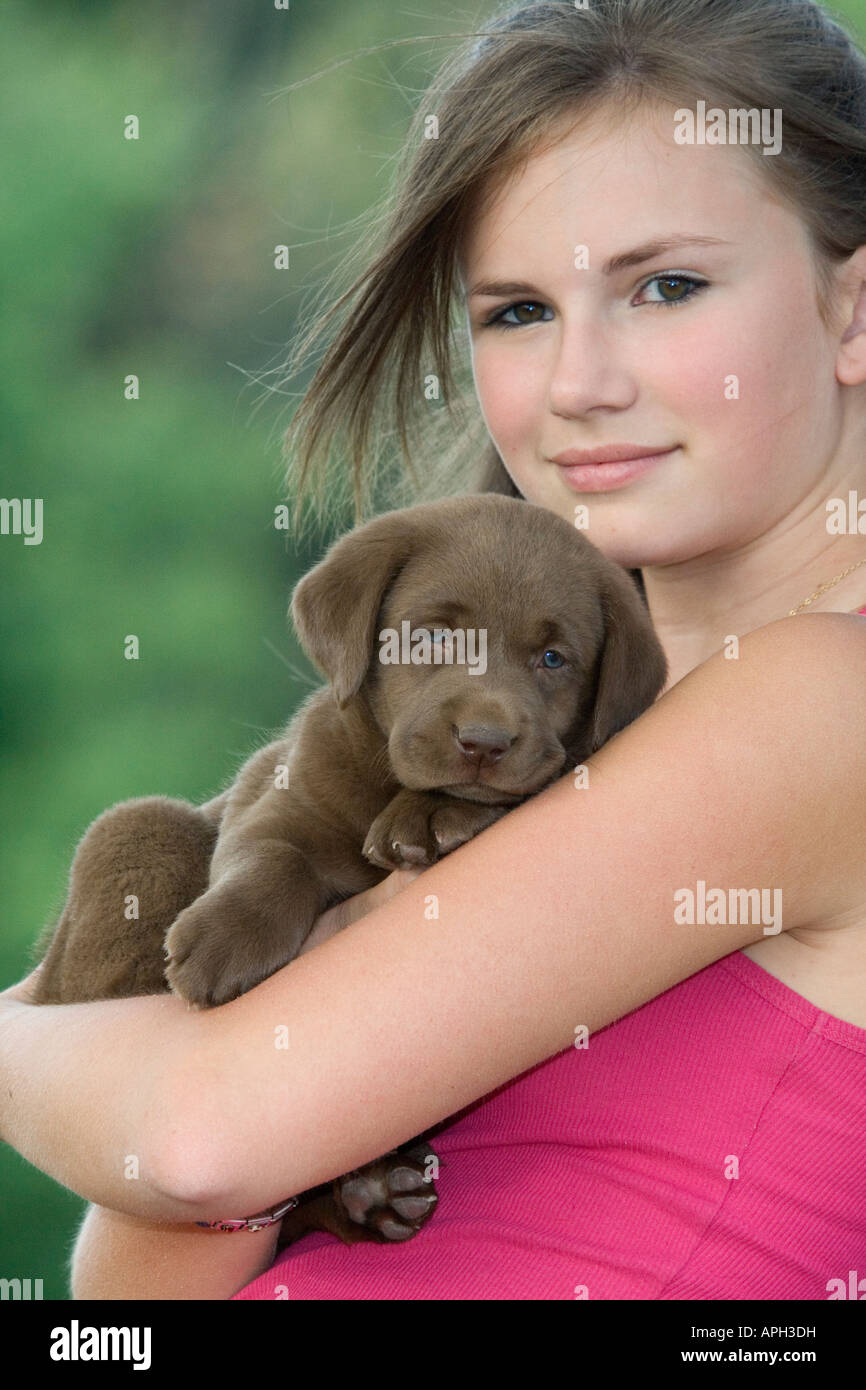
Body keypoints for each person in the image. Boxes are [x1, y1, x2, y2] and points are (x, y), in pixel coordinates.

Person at [3, 0, 866, 1301]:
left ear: (852, 310)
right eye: (516, 311)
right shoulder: (529, 746)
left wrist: (38, 1038)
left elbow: (191, 1137)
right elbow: (133, 1295)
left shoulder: (819, 701)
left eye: (664, 286)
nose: (579, 379)